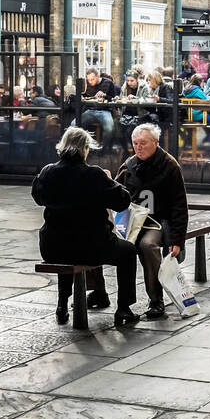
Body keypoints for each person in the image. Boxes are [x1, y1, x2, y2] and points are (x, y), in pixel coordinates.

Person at [32, 126, 141, 326]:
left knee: (66, 250)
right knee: (128, 252)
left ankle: (62, 304)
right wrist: (109, 181)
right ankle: (124, 308)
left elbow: (37, 197)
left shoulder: (48, 172)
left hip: (52, 247)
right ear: (85, 149)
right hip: (92, 246)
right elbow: (123, 201)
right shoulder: (94, 175)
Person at [116, 123, 189, 320]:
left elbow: (179, 205)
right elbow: (115, 197)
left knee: (147, 245)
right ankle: (104, 296)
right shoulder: (128, 166)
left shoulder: (170, 165)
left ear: (156, 143)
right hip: (131, 222)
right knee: (105, 243)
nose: (138, 147)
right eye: (135, 143)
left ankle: (156, 301)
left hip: (157, 222)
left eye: (143, 143)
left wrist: (177, 240)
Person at [78, 68, 120, 151]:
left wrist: (105, 95)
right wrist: (82, 97)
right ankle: (84, 146)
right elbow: (85, 96)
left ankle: (102, 148)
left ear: (97, 76)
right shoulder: (87, 84)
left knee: (109, 128)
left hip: (104, 110)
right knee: (74, 124)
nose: (90, 82)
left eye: (92, 79)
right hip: (90, 110)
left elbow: (114, 98)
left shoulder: (108, 83)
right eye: (88, 79)